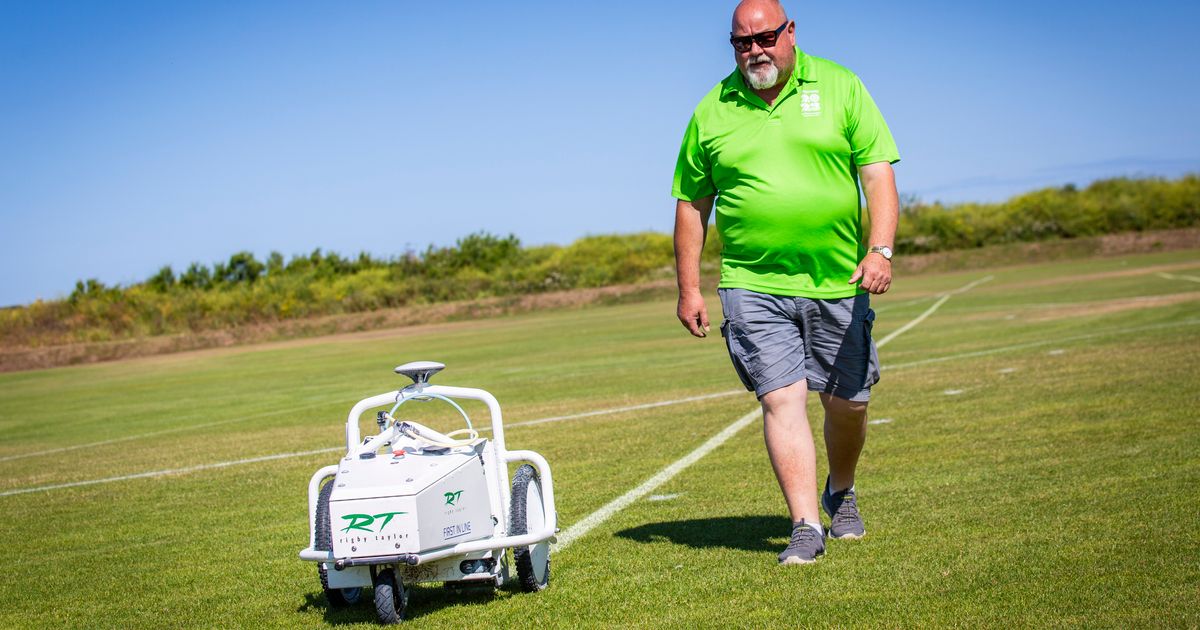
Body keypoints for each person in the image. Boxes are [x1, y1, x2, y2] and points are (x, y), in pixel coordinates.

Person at [671, 0, 900, 565]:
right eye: (741, 43)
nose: (754, 51)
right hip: (751, 282)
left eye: (764, 38)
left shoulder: (842, 86)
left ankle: (840, 489)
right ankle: (804, 525)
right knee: (782, 398)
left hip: (838, 280)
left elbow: (878, 173)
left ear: (790, 32)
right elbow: (691, 202)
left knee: (848, 403)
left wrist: (880, 249)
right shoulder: (711, 109)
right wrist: (689, 287)